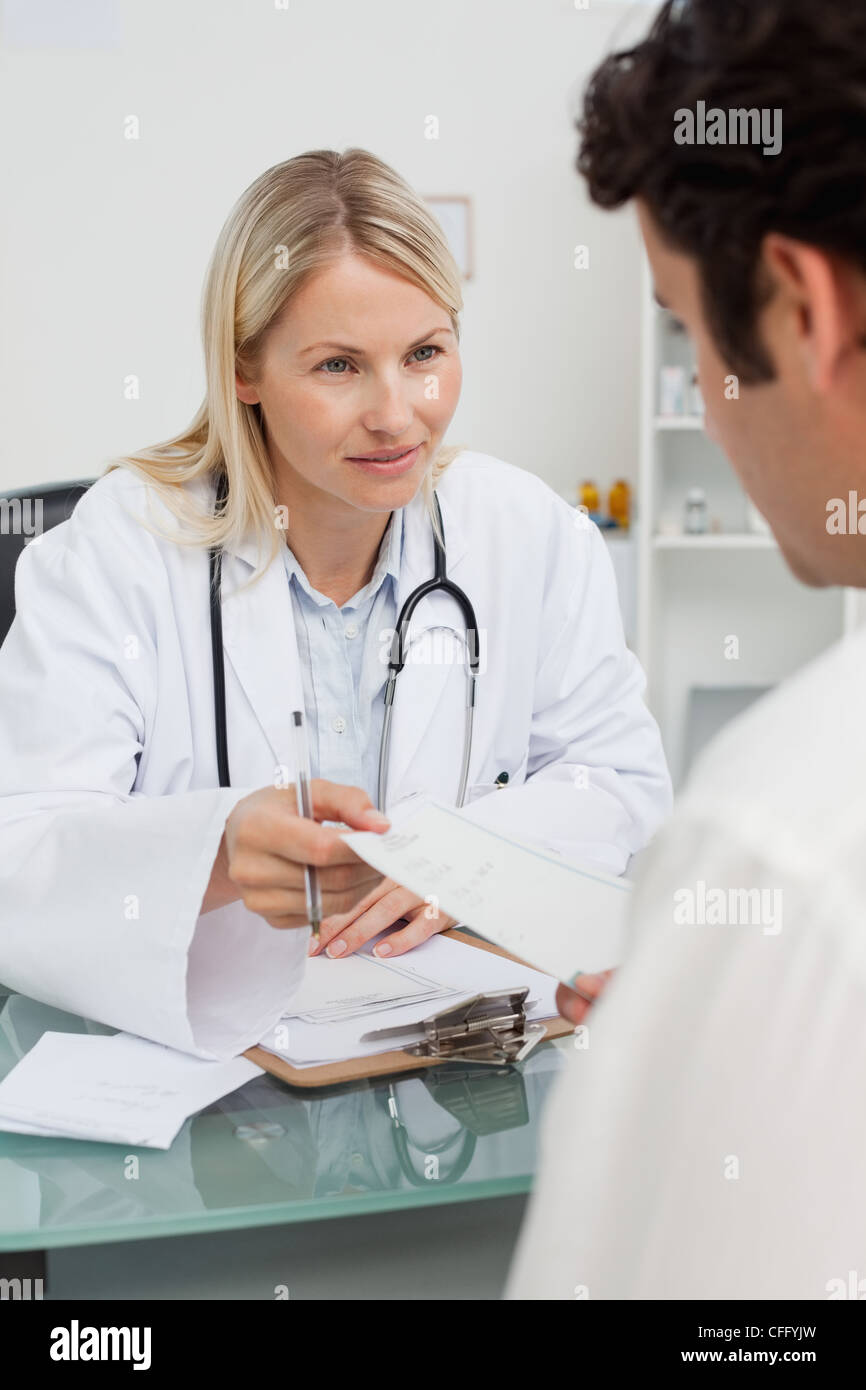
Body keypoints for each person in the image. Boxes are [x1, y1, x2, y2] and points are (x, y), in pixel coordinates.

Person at [0, 149, 671, 1059]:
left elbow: (621, 785)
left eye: (425, 354)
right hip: (209, 1086)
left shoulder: (531, 535)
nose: (398, 415)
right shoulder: (114, 553)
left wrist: (464, 867)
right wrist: (212, 855)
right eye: (339, 366)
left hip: (458, 1070)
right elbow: (21, 855)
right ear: (245, 369)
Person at [508, 0, 866, 1299]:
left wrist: (704, 1018)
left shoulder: (790, 829)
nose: (706, 408)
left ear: (795, 305)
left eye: (684, 329)